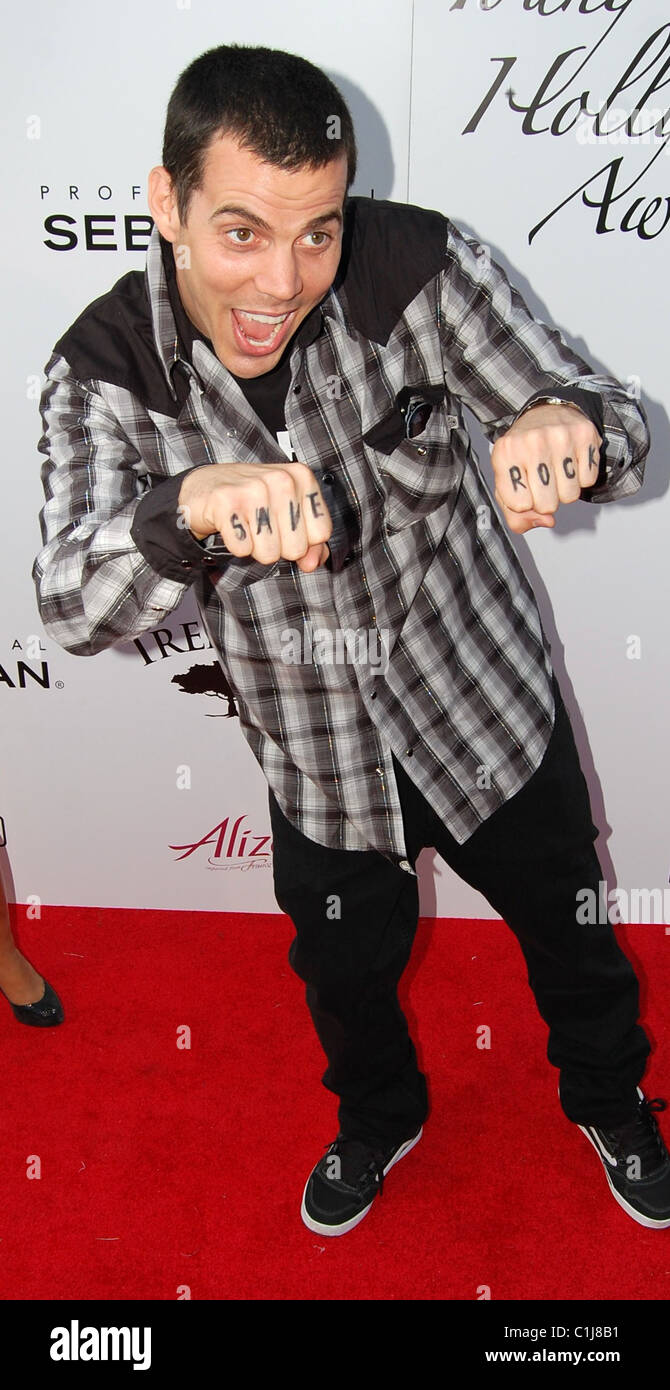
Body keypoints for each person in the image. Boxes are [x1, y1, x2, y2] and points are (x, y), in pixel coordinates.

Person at [33, 44, 669, 1236]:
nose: (284, 279)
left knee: (574, 944)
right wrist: (188, 511)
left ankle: (612, 1099)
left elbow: (602, 410)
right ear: (164, 202)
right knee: (344, 983)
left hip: (483, 707)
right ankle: (379, 1118)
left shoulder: (417, 266)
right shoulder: (103, 368)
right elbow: (66, 600)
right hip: (317, 766)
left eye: (317, 232)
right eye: (241, 233)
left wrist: (564, 427)